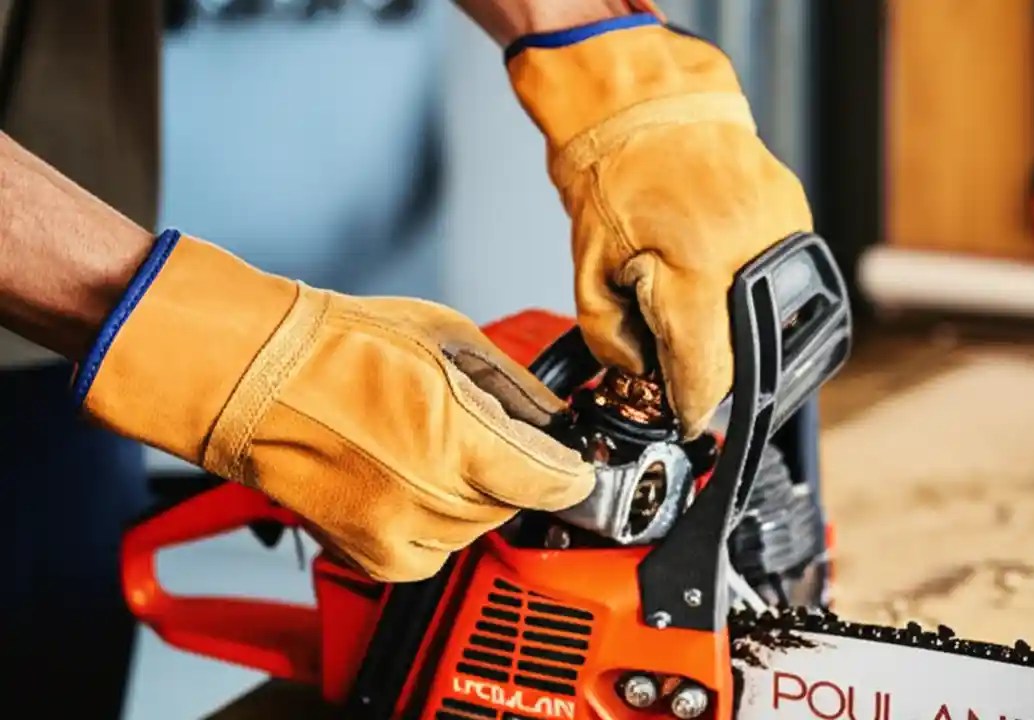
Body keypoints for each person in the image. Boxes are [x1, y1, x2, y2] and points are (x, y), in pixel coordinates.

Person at [0, 0, 813, 714]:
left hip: (61, 319)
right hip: (78, 304)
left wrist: (602, 53)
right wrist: (217, 349)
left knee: (58, 640)